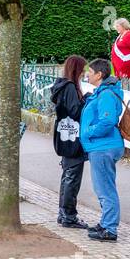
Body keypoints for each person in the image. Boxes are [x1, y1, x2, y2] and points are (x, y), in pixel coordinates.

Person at [79, 58, 125, 242]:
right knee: (103, 187)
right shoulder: (102, 92)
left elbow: (107, 120)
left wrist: (89, 132)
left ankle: (110, 229)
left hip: (103, 147)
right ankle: (106, 223)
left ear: (99, 74)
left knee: (105, 188)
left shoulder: (105, 94)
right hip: (102, 146)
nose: (87, 74)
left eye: (90, 72)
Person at [50, 55, 90, 230]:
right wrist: (87, 100)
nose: (84, 72)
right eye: (82, 69)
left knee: (67, 175)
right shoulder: (70, 87)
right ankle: (69, 215)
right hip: (72, 137)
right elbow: (75, 111)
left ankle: (63, 213)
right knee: (72, 177)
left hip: (65, 134)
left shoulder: (62, 86)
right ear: (77, 69)